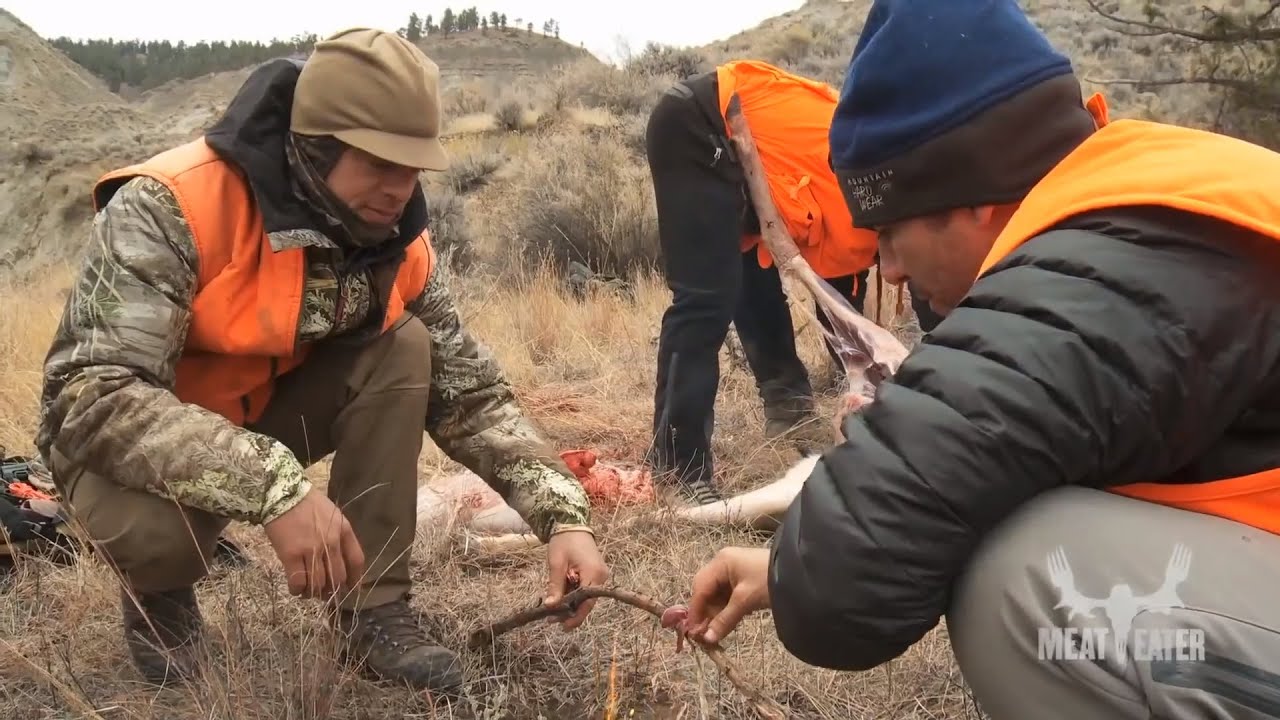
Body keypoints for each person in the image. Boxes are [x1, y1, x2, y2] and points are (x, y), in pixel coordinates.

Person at [676, 2, 1280, 719]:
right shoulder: (1154, 194)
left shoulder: (1118, 260)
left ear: (970, 199)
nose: (890, 270)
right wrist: (786, 566)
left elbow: (841, 590)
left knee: (1024, 579)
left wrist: (812, 550)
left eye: (890, 230)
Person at [35, 28, 608, 695]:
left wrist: (561, 515)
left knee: (405, 346)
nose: (400, 189)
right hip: (134, 444)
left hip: (257, 416)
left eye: (413, 168)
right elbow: (92, 394)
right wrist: (276, 487)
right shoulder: (172, 206)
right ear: (315, 146)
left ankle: (374, 611)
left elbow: (472, 393)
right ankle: (156, 592)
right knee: (165, 541)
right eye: (379, 164)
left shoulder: (397, 240)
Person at [645, 59, 936, 506]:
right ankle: (680, 472)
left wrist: (881, 396)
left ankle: (790, 409)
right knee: (706, 299)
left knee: (752, 280)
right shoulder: (872, 197)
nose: (897, 273)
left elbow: (846, 315)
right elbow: (875, 313)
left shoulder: (885, 203)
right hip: (702, 122)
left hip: (754, 153)